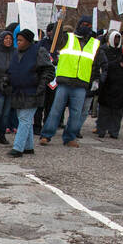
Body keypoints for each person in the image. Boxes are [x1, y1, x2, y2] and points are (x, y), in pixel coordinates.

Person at [39, 15, 105, 146]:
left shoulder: (94, 44)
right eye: (83, 24)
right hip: (65, 80)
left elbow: (96, 64)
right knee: (56, 110)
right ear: (78, 25)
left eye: (88, 25)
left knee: (76, 113)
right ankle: (46, 135)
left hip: (81, 82)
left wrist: (95, 79)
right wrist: (60, 22)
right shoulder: (68, 38)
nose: (86, 27)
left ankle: (70, 137)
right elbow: (56, 39)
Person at [5, 28, 54, 157]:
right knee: (23, 118)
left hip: (33, 90)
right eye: (18, 40)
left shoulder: (39, 51)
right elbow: (10, 70)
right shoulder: (16, 53)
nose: (18, 43)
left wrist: (41, 85)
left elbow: (49, 70)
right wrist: (6, 81)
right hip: (18, 90)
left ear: (28, 41)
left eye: (21, 40)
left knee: (25, 119)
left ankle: (18, 147)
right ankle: (28, 146)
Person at [94, 29, 123, 139]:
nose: (116, 40)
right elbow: (103, 65)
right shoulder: (103, 50)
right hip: (107, 83)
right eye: (115, 38)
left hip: (120, 84)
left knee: (117, 111)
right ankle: (101, 129)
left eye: (118, 38)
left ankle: (114, 131)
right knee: (104, 110)